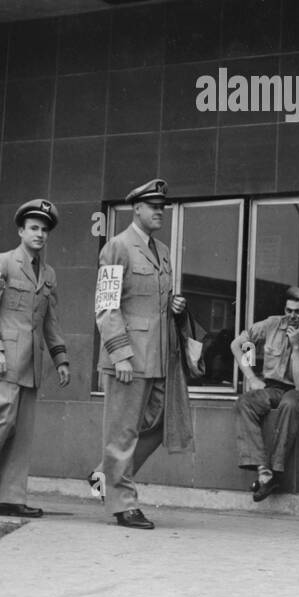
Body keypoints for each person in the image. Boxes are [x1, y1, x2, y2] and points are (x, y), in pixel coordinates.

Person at [0, 199, 70, 518]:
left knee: (21, 430)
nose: (40, 234)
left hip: (31, 363)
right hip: (4, 358)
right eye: (34, 228)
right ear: (21, 231)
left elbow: (50, 320)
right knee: (3, 418)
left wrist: (60, 357)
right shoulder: (2, 262)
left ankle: (10, 498)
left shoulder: (48, 274)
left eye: (44, 230)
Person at [95, 178, 195, 529]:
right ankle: (123, 505)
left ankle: (103, 478)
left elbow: (157, 302)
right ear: (136, 209)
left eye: (162, 206)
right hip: (129, 357)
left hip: (158, 355)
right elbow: (107, 307)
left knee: (160, 422)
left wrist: (176, 306)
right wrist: (120, 353)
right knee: (122, 431)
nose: (160, 211)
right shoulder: (116, 247)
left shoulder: (163, 251)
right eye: (154, 206)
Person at [231, 286, 299, 501]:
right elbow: (240, 344)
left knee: (290, 402)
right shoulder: (272, 324)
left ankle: (276, 470)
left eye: (298, 312)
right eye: (289, 310)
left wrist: (295, 348)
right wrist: (252, 377)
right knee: (245, 402)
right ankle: (263, 471)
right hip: (273, 387)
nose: (292, 316)